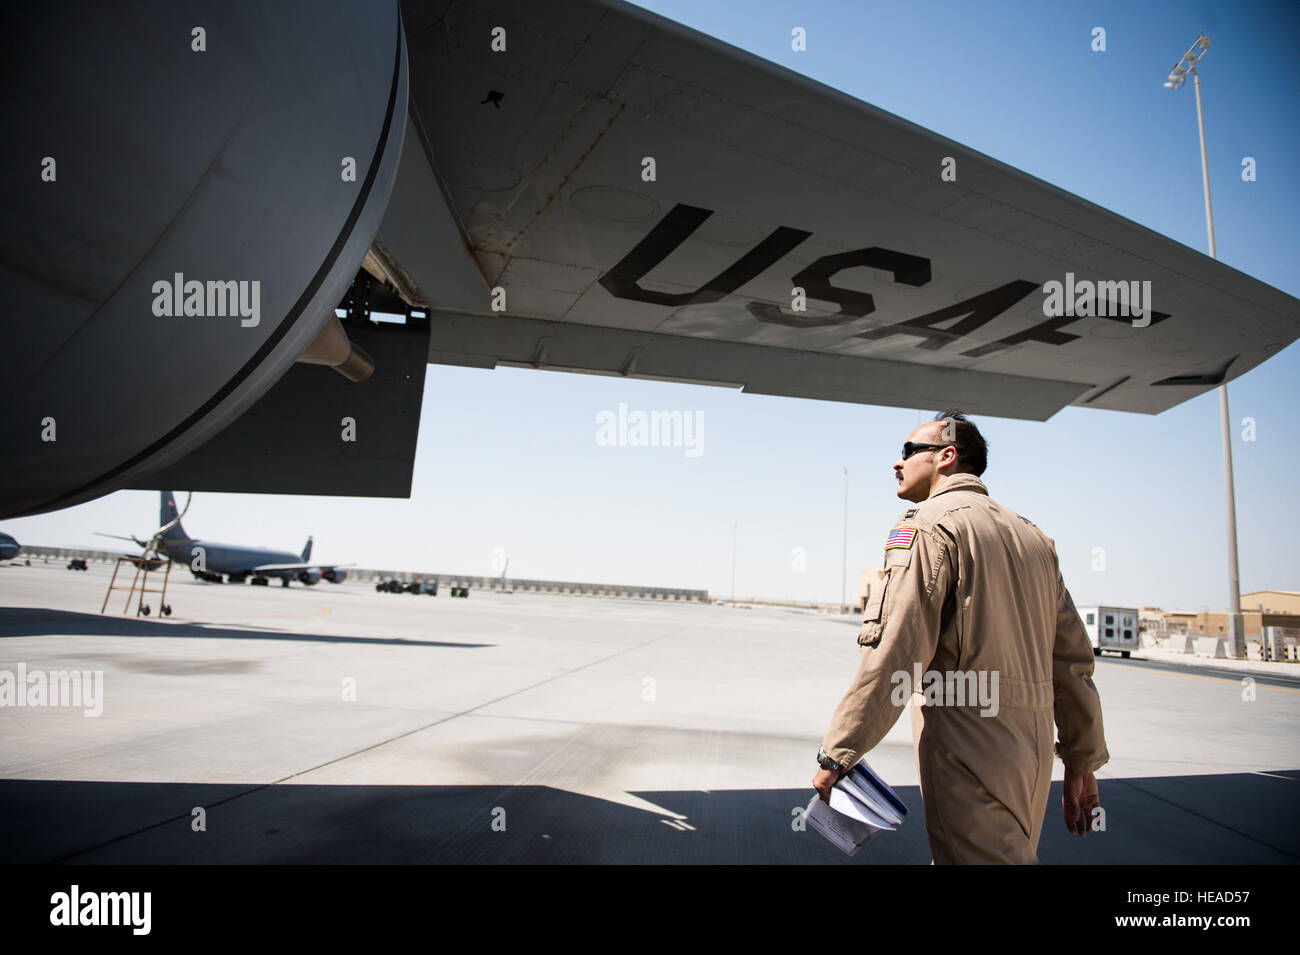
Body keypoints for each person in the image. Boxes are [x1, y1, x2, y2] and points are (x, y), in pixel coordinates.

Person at [812, 410, 1107, 864]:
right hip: (1029, 754)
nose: (898, 462)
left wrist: (840, 749)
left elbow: (897, 649)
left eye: (910, 451)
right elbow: (1071, 661)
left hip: (968, 742)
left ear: (946, 456)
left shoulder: (927, 525)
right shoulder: (1034, 538)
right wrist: (1081, 759)